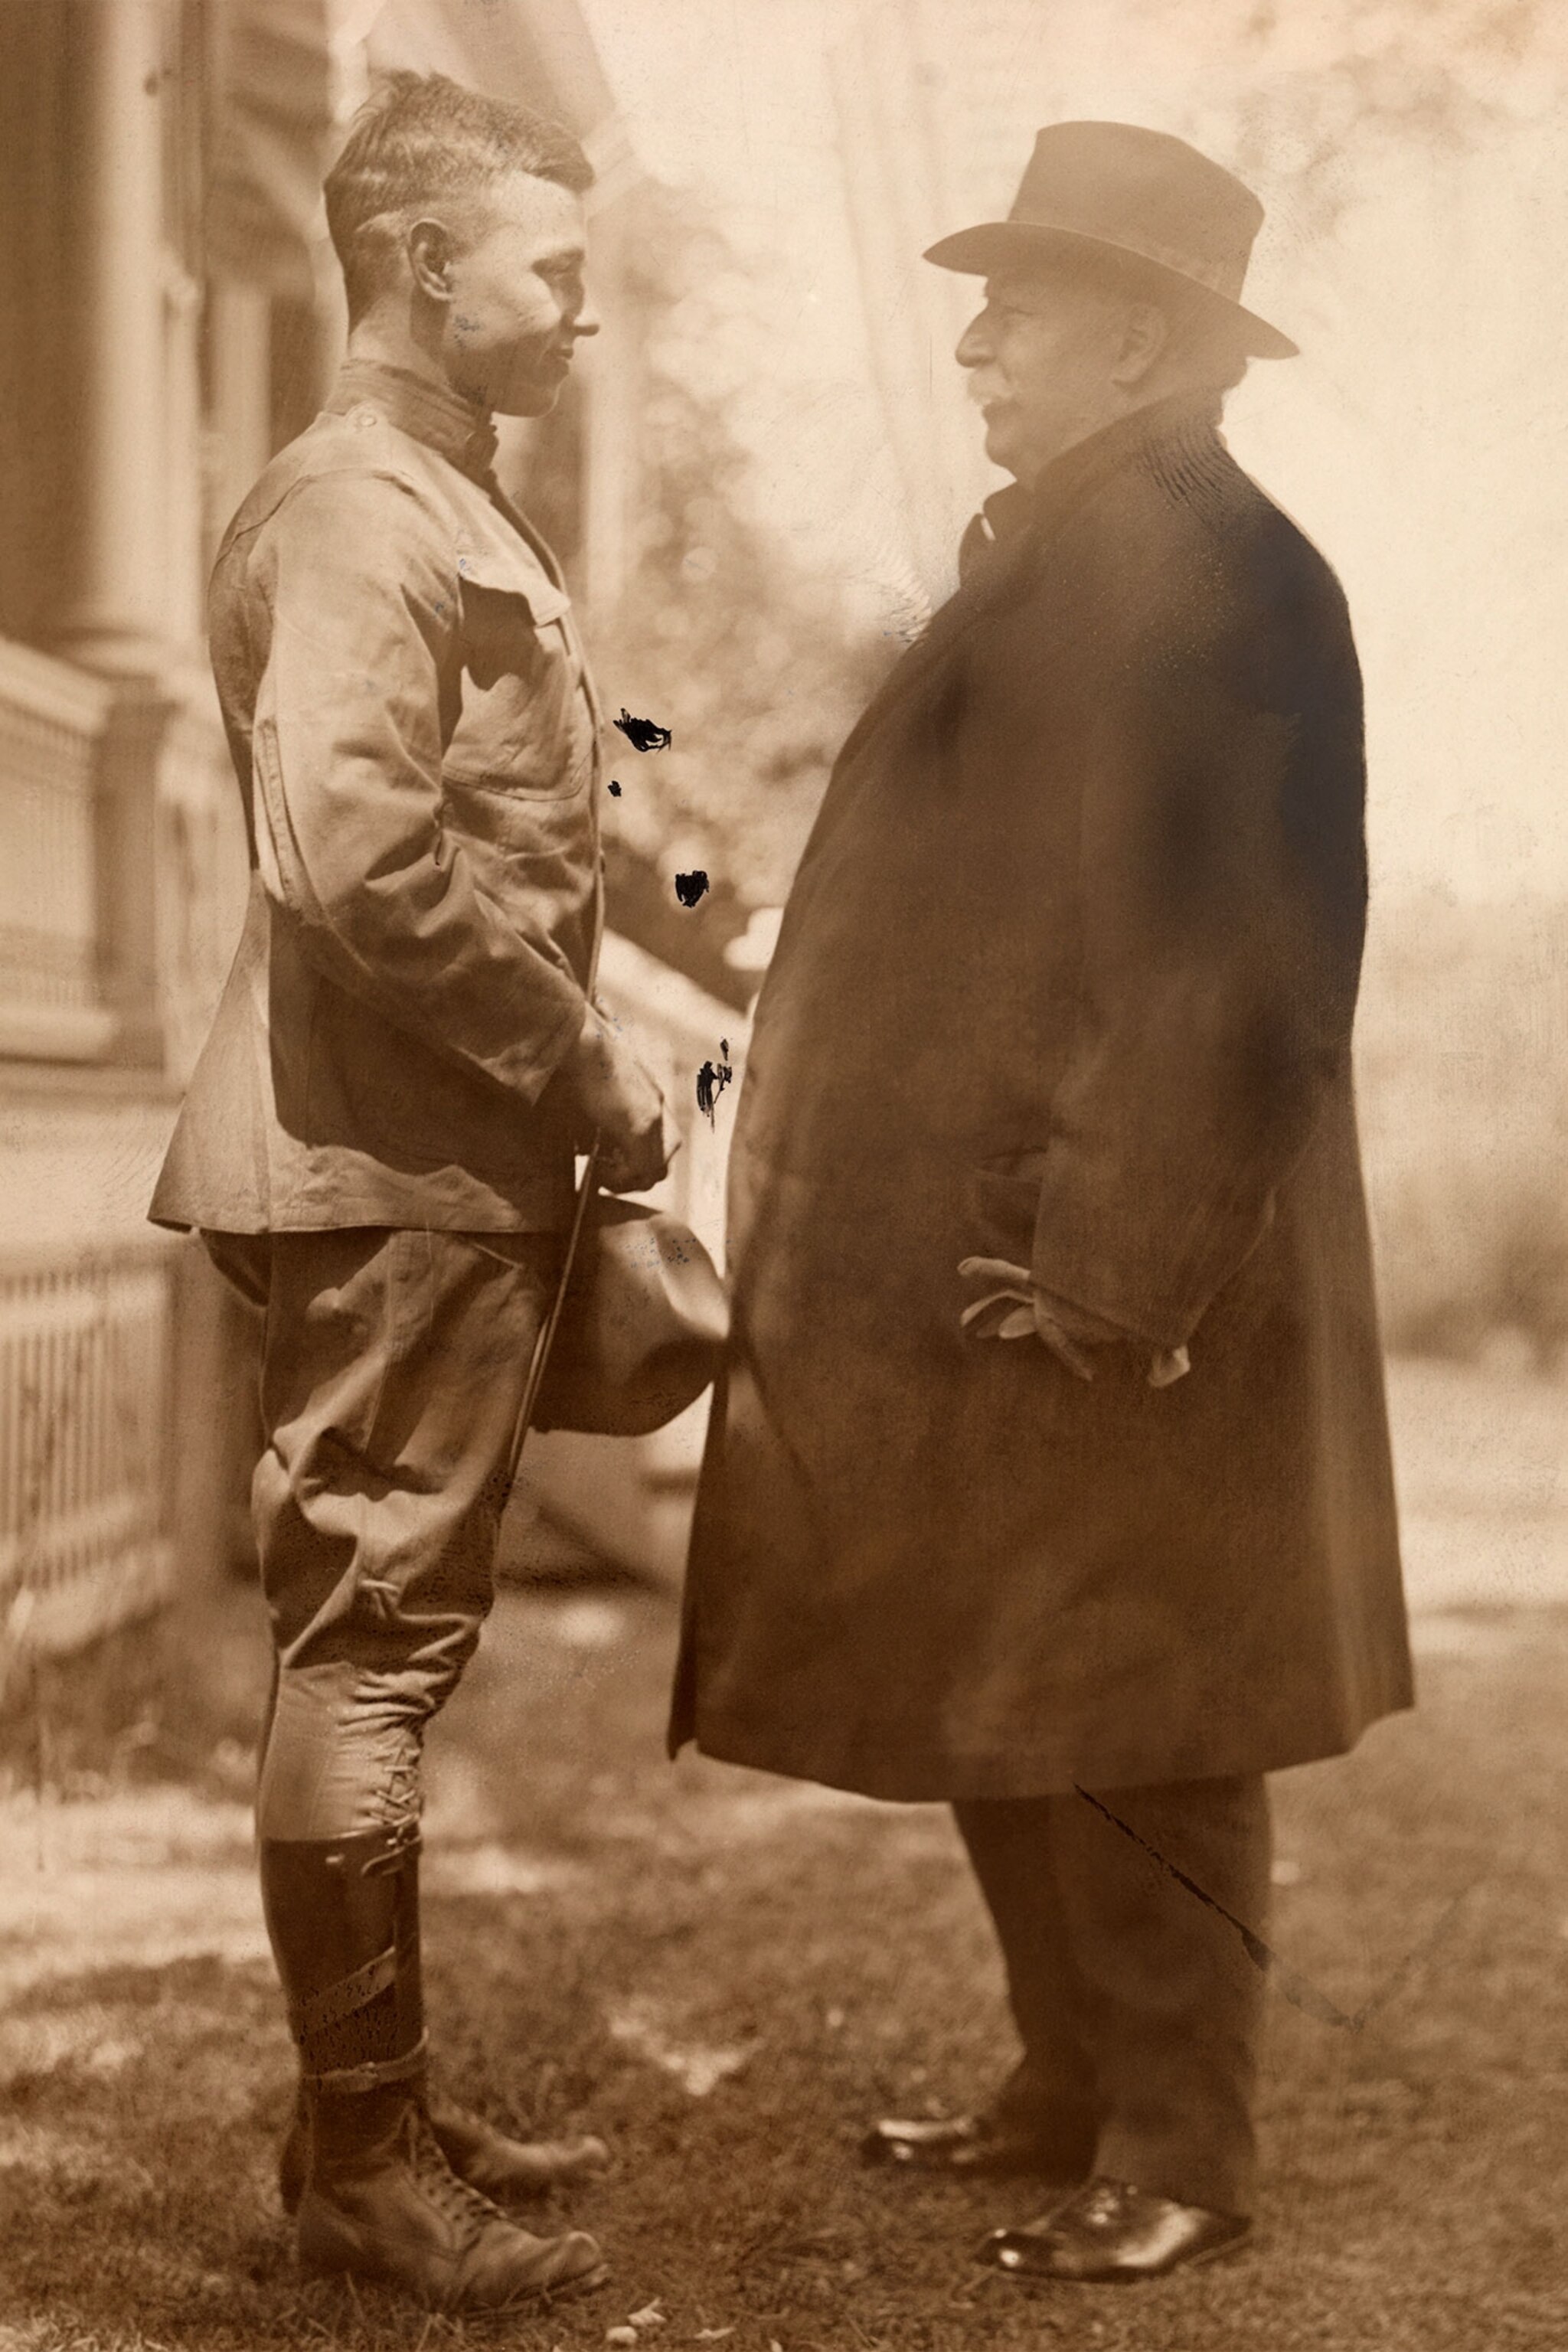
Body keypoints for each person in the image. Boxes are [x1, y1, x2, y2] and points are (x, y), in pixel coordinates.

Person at [672, 121, 1412, 2284]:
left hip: (1120, 1265)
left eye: (1021, 308)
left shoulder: (1225, 575)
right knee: (1005, 1673)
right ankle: (1065, 2083)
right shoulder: (1078, 548)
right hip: (995, 1247)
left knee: (1144, 1707)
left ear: (1144, 343)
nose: (976, 345)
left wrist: (1116, 1271)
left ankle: (1183, 2150)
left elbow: (1235, 968)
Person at [151, 71, 670, 2313]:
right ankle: (363, 2173)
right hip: (393, 1160)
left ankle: (360, 2118)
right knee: (370, 1652)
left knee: (391, 1646)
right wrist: (584, 1057)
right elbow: (356, 858)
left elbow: (523, 820)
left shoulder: (443, 493)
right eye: (554, 270)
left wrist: (663, 953)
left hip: (433, 1155)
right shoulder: (364, 508)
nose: (582, 310)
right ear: (426, 267)